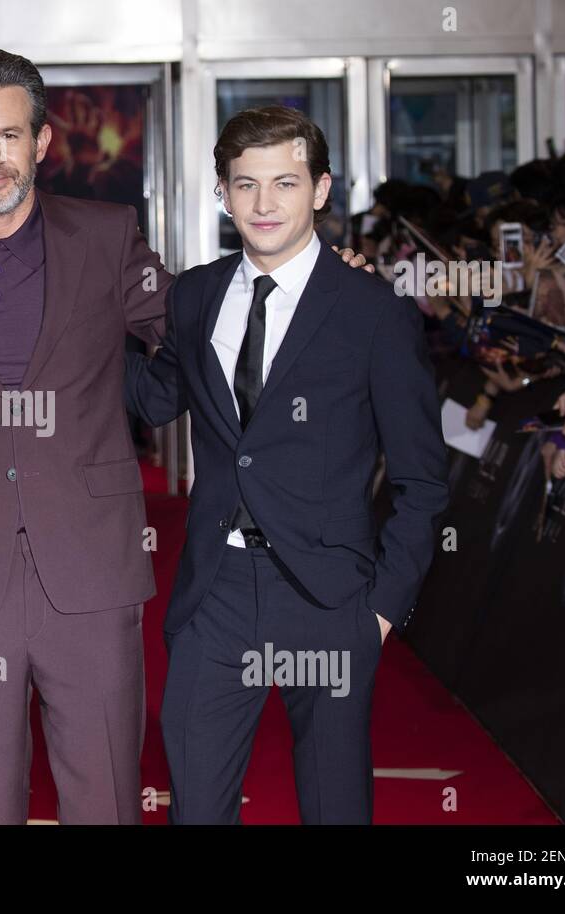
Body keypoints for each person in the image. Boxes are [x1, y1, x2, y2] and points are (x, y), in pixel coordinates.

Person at [0, 50, 367, 824]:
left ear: (42, 141)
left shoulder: (105, 236)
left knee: (105, 800)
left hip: (93, 568)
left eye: (7, 136)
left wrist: (309, 288)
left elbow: (197, 332)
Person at [125, 106, 449, 824]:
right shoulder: (196, 295)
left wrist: (381, 613)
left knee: (335, 806)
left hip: (331, 598)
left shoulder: (373, 313)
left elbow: (422, 480)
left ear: (322, 190)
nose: (264, 204)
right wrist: (70, 331)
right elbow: (154, 399)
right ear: (223, 192)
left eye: (285, 183)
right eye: (245, 185)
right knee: (196, 809)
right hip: (217, 591)